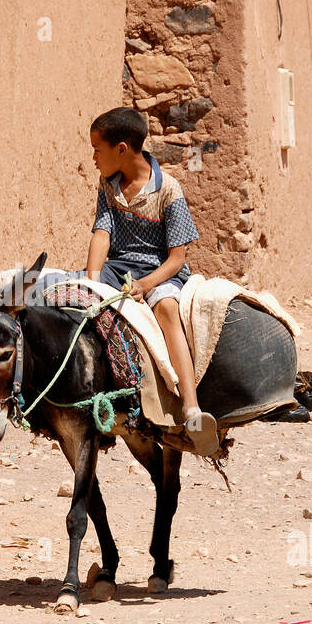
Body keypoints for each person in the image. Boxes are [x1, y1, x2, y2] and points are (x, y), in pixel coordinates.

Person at [85, 107, 219, 456]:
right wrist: (92, 281)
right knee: (74, 300)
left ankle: (190, 407)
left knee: (167, 310)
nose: (94, 158)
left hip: (159, 271)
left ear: (122, 149)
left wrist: (146, 285)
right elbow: (102, 234)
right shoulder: (108, 184)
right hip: (119, 267)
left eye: (98, 150)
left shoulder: (169, 191)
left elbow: (178, 258)